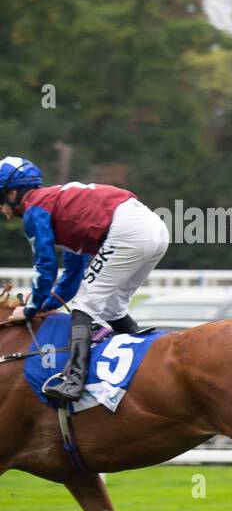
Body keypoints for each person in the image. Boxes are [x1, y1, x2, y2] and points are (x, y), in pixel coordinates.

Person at [1, 156, 170, 401]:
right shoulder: (59, 209)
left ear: (14, 193)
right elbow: (71, 278)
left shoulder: (34, 210)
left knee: (84, 305)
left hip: (129, 231)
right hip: (153, 229)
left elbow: (45, 266)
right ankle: (141, 368)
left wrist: (30, 310)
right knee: (113, 306)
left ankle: (74, 381)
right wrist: (45, 306)